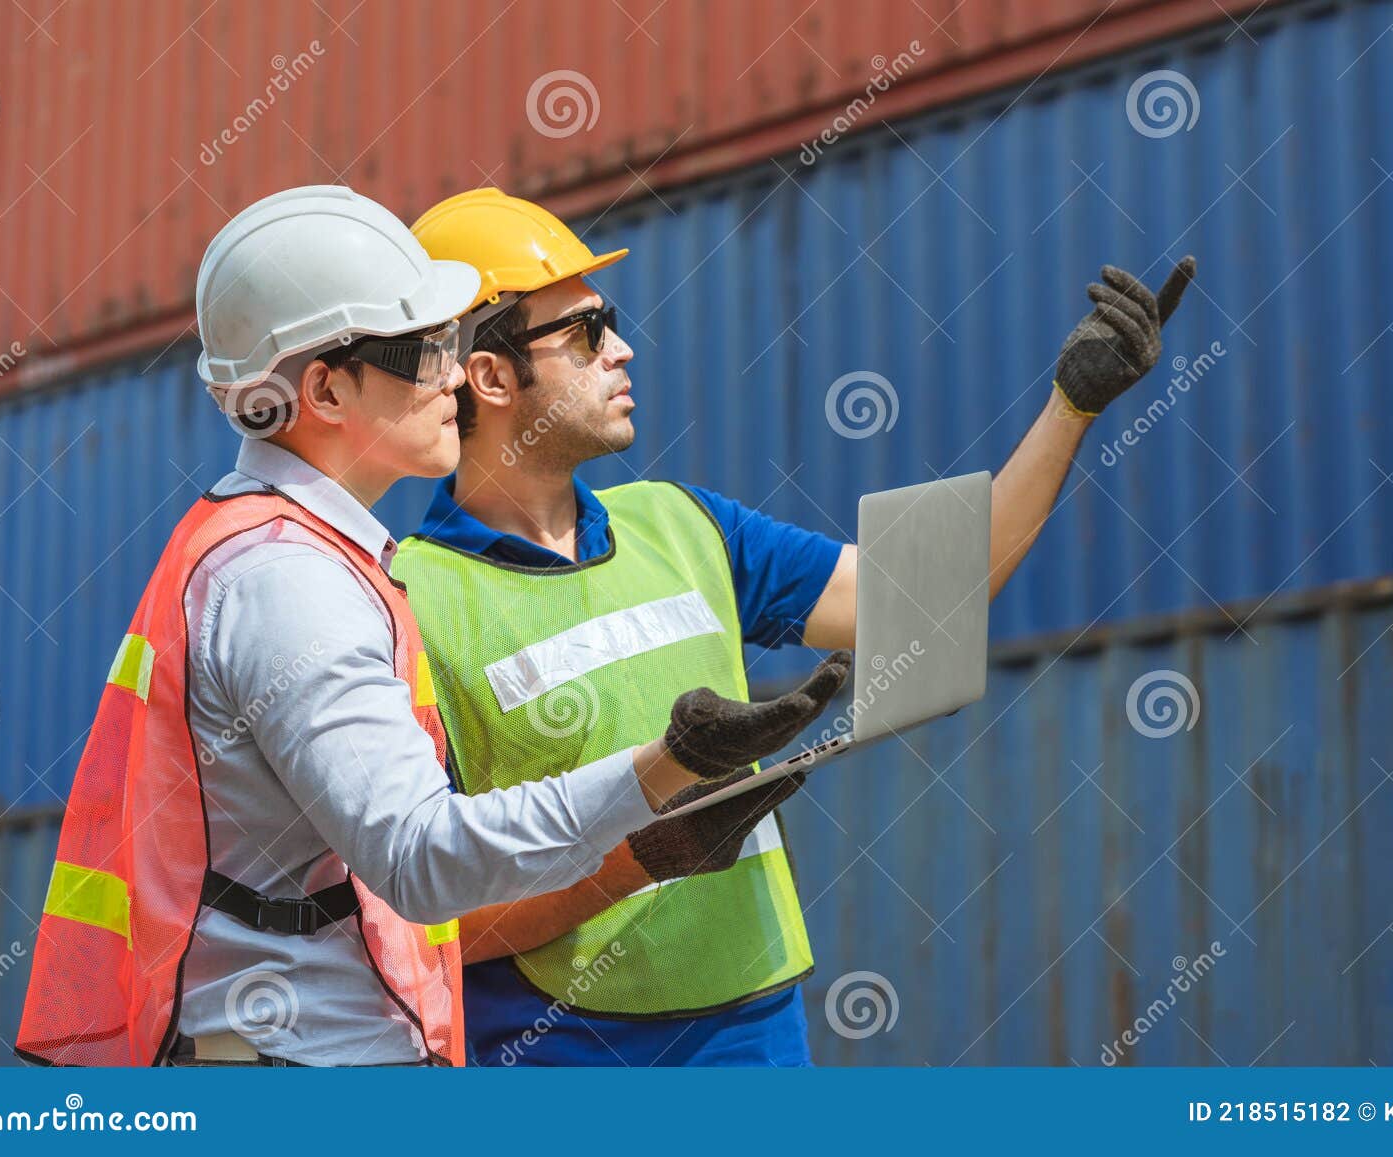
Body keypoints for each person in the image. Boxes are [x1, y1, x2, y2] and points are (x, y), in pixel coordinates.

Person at [11, 185, 849, 1068]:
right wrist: (669, 767)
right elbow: (419, 856)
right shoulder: (288, 582)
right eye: (421, 349)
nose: (454, 374)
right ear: (327, 388)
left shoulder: (275, 552)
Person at [396, 187, 1196, 1066]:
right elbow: (425, 927)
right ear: (494, 376)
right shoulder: (407, 602)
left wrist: (1071, 407)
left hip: (759, 1036)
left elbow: (928, 597)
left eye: (609, 322)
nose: (622, 349)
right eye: (586, 333)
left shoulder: (681, 524)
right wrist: (638, 859)